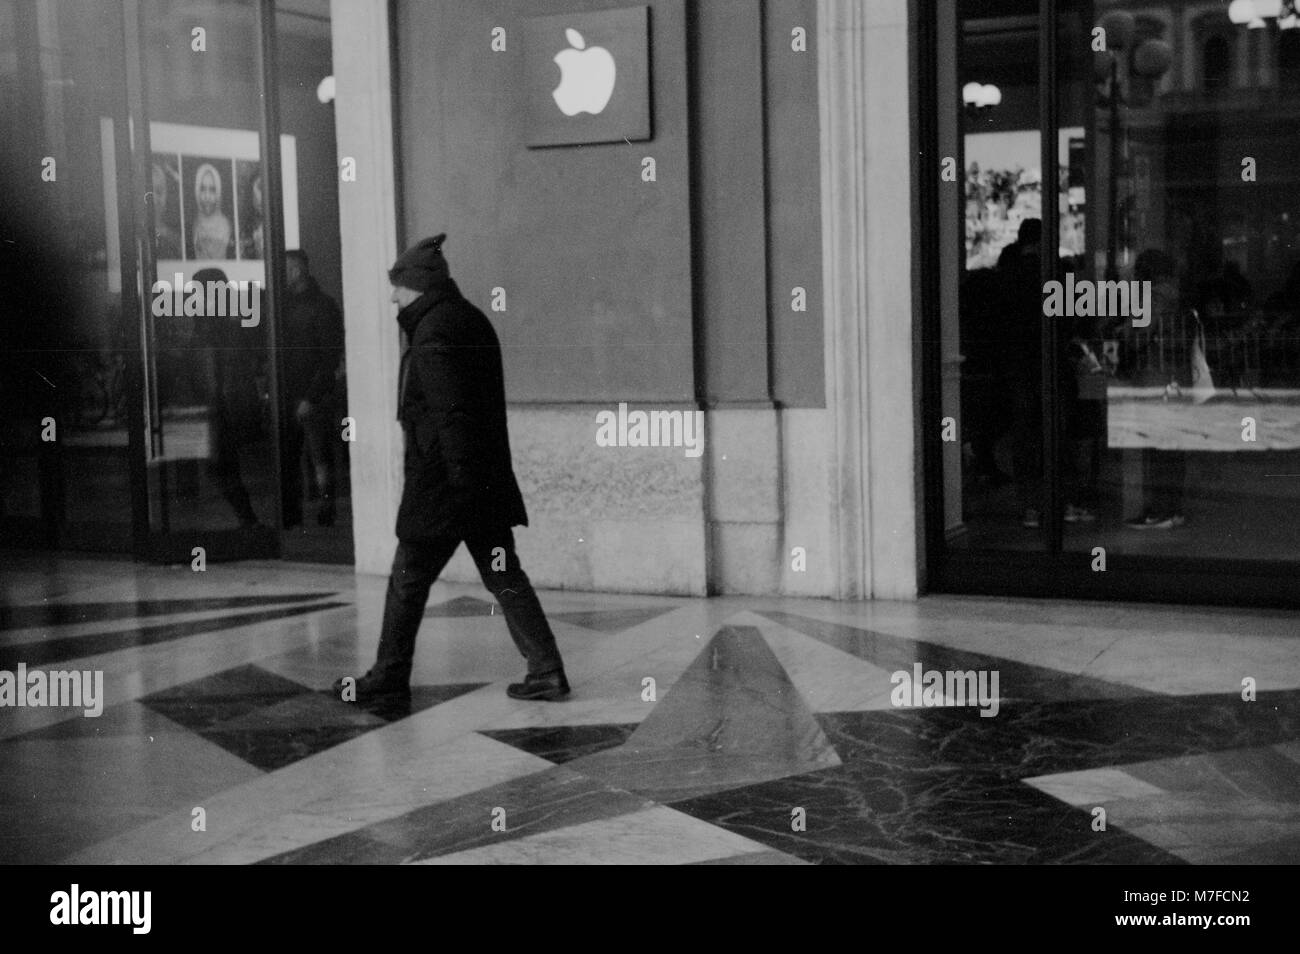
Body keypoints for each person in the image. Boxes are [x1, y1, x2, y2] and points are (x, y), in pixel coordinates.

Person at [333, 234, 569, 702]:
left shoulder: (433, 331)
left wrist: (460, 489)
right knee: (504, 574)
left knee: (407, 580)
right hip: (478, 483)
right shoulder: (469, 319)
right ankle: (546, 669)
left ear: (418, 285)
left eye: (397, 286)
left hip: (446, 488)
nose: (392, 296)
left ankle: (388, 678)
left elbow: (451, 415)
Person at [279, 249, 344, 528]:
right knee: (306, 455)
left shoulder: (320, 306)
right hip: (297, 391)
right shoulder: (291, 305)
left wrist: (311, 396)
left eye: (290, 268)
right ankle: (313, 508)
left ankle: (324, 506)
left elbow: (329, 357)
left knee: (318, 455)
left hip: (310, 392)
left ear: (300, 269)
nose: (286, 274)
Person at [1124, 249, 1187, 530]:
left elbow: (1137, 336)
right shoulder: (1176, 294)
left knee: (1157, 449)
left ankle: (1159, 511)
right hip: (1174, 377)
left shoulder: (1152, 297)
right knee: (1171, 449)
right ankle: (1171, 509)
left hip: (1155, 377)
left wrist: (1120, 330)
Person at [192, 163, 232, 259]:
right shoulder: (194, 224)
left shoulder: (225, 225)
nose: (207, 197)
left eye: (212, 190)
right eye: (202, 189)